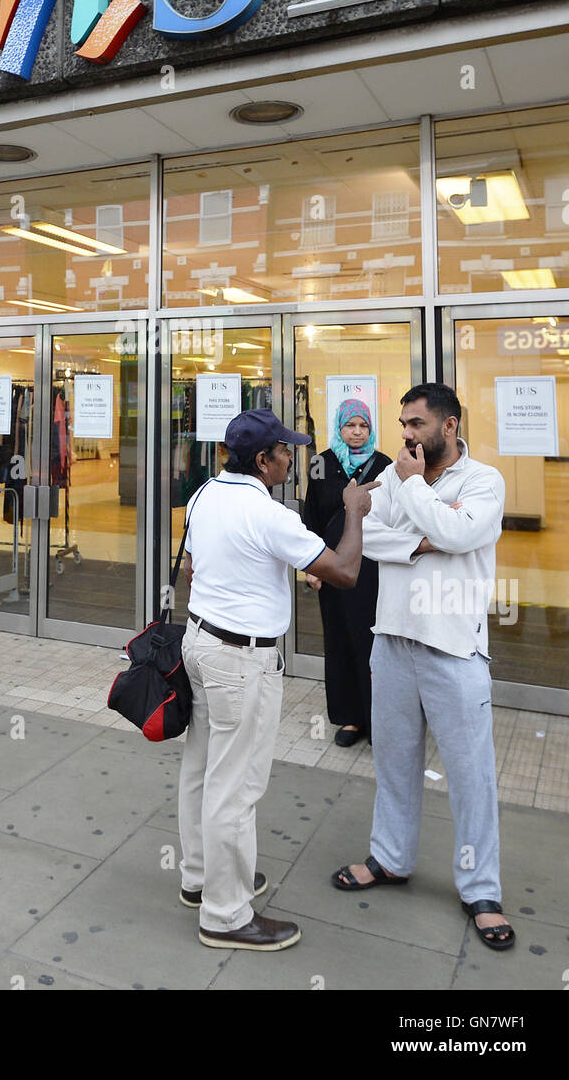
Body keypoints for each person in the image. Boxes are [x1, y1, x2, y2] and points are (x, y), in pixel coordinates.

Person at [178, 407, 379, 951]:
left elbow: (190, 569)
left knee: (201, 770)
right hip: (241, 659)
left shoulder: (203, 495)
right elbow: (344, 571)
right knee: (235, 788)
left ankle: (201, 878)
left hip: (199, 643)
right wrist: (353, 510)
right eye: (285, 450)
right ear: (263, 460)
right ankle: (226, 914)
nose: (292, 457)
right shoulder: (269, 514)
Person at [331, 383, 515, 951]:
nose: (406, 434)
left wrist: (416, 498)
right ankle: (390, 859)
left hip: (454, 650)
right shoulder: (391, 477)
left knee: (471, 777)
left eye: (417, 424)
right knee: (394, 764)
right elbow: (364, 536)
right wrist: (420, 538)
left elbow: (461, 532)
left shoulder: (483, 481)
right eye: (403, 424)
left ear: (449, 426)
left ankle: (480, 888)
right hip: (391, 644)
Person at [301, 399, 391, 746]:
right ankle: (351, 718)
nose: (356, 432)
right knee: (339, 640)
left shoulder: (384, 466)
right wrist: (311, 565)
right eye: (349, 426)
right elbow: (311, 517)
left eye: (363, 426)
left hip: (374, 568)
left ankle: (378, 718)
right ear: (338, 429)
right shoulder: (322, 464)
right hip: (333, 566)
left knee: (374, 643)